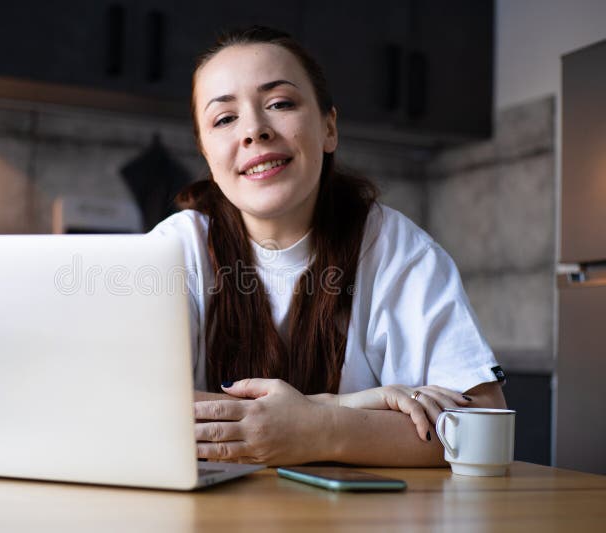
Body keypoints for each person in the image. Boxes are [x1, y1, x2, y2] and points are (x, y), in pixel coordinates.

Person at [150, 26, 506, 466]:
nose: (255, 131)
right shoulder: (174, 249)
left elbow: (484, 427)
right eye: (224, 119)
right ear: (207, 154)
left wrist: (318, 431)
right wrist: (347, 405)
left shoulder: (395, 249)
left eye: (279, 104)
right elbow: (128, 411)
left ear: (328, 128)